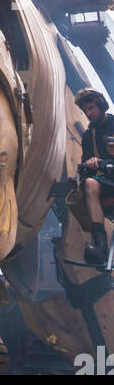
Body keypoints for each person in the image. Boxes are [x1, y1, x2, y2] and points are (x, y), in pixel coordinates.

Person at [73, 88, 114, 266]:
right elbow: (85, 168)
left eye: (91, 108)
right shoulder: (88, 136)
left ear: (101, 106)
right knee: (89, 183)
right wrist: (89, 165)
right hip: (106, 182)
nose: (88, 114)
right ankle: (100, 246)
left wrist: (104, 162)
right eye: (85, 110)